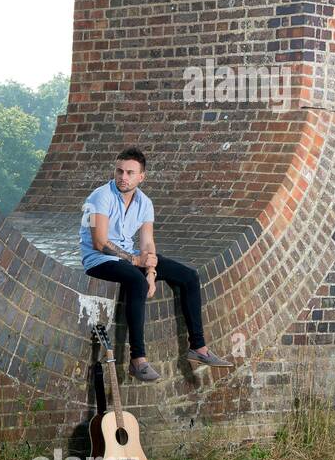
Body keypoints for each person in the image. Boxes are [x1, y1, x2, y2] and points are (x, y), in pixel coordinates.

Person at [79, 147, 232, 381]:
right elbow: (99, 242)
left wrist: (150, 271)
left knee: (189, 276)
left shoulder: (145, 203)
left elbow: (147, 243)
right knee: (135, 280)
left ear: (142, 177)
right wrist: (135, 262)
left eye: (130, 172)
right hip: (99, 260)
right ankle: (138, 359)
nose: (123, 177)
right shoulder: (101, 196)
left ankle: (198, 348)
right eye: (119, 171)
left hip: (129, 258)